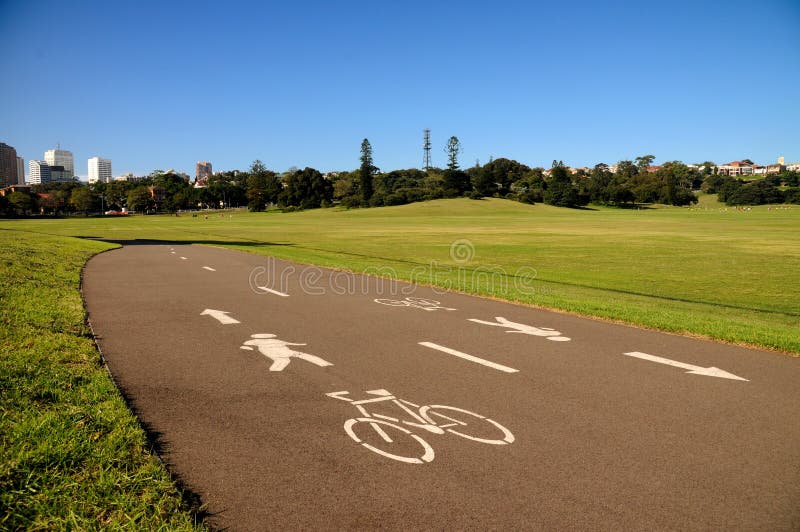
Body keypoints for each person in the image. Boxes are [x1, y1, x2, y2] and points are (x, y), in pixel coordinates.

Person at [240, 333, 333, 371]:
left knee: (283, 360)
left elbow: (246, 345)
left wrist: (301, 344)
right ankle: (324, 363)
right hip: (276, 350)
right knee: (297, 356)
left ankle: (274, 370)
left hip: (274, 350)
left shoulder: (253, 341)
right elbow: (290, 343)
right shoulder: (256, 341)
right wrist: (301, 344)